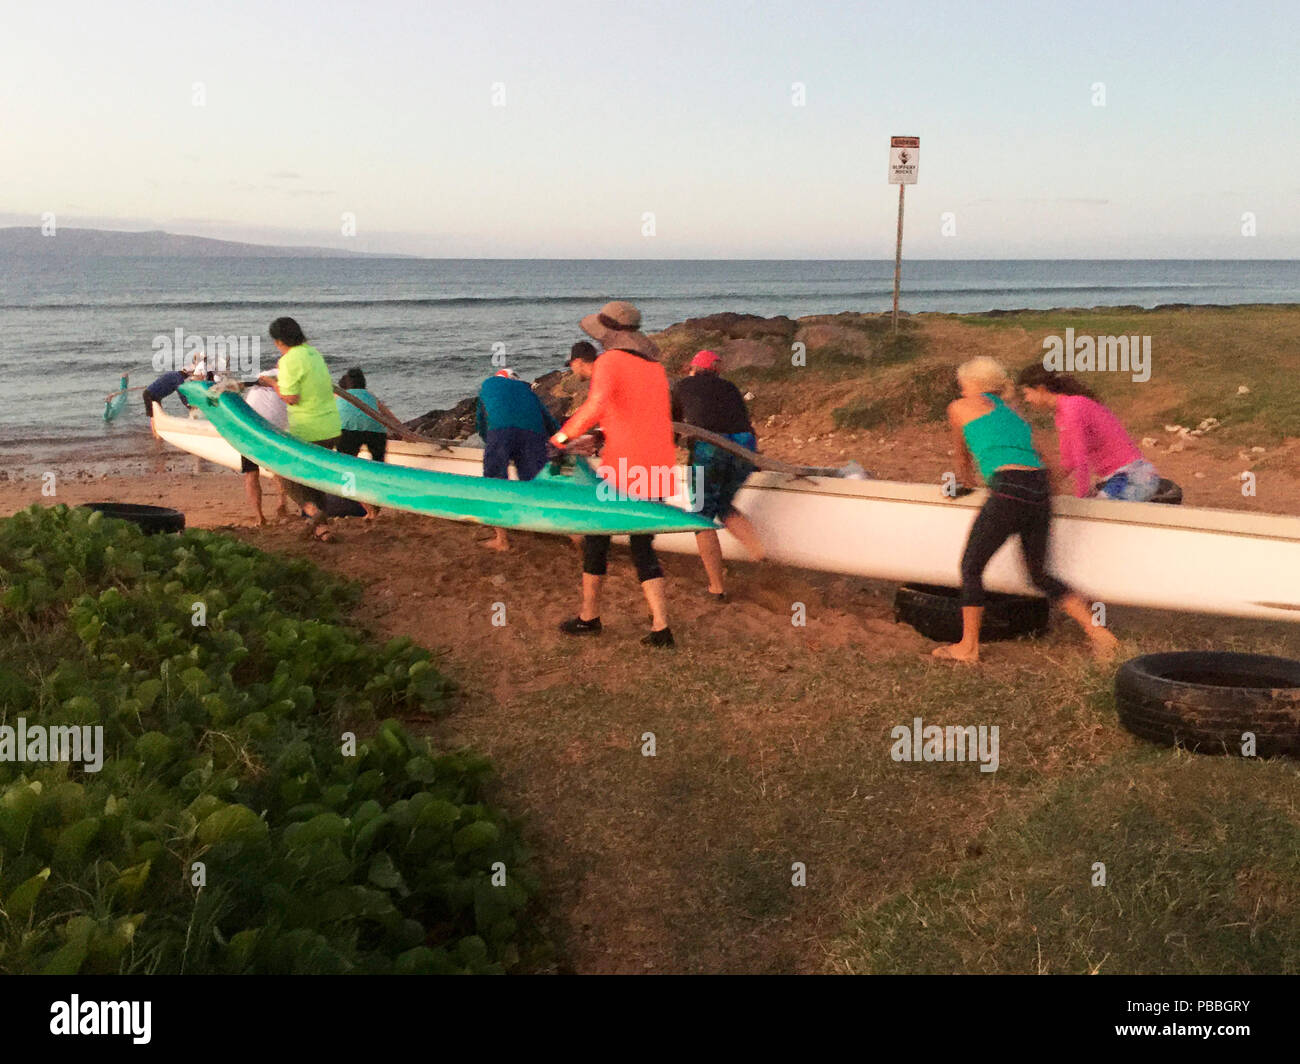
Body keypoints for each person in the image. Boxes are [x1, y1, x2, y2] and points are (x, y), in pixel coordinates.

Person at [935, 357, 1118, 664]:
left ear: (973, 384)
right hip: (1039, 488)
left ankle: (967, 647)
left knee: (971, 567)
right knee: (1039, 574)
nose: (960, 387)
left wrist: (964, 484)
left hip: (1008, 488)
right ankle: (1100, 633)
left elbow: (963, 459)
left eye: (962, 381)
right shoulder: (1014, 414)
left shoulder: (959, 407)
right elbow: (1043, 458)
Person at [549, 301, 678, 647]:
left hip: (624, 470)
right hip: (658, 466)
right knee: (641, 547)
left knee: (597, 541)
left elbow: (597, 404)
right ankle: (661, 627)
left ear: (608, 334)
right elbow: (644, 416)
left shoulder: (608, 361)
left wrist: (561, 438)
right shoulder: (655, 368)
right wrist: (603, 435)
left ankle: (589, 618)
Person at [670, 349, 765, 599]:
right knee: (724, 504)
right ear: (717, 371)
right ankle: (760, 556)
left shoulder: (683, 385)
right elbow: (744, 424)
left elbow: (672, 426)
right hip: (745, 445)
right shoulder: (730, 387)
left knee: (702, 514)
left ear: (693, 369)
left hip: (712, 446)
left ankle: (716, 588)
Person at [1016, 365, 1161, 501]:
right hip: (1117, 477)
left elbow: (1080, 459)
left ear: (1041, 389)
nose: (1027, 400)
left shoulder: (1073, 408)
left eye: (1027, 394)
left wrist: (1081, 498)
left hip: (1132, 475)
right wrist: (1044, 486)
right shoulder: (1061, 414)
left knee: (1095, 512)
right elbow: (1069, 462)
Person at [269, 317, 342, 542]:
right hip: (331, 426)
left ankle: (311, 511)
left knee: (282, 469)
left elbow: (291, 397)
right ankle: (323, 530)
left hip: (309, 429)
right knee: (314, 477)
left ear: (279, 341)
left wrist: (272, 384)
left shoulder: (290, 360)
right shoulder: (313, 353)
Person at [475, 366, 560, 551]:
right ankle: (542, 528)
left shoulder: (488, 385)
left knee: (495, 484)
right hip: (533, 435)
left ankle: (502, 540)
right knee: (534, 483)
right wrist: (559, 442)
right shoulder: (526, 390)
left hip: (500, 432)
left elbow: (481, 421)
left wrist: (490, 442)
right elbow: (549, 421)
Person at [241, 370, 290, 526]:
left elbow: (244, 382)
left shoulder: (264, 374)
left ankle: (259, 517)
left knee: (251, 473)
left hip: (249, 426)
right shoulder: (291, 378)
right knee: (277, 469)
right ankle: (282, 503)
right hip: (272, 429)